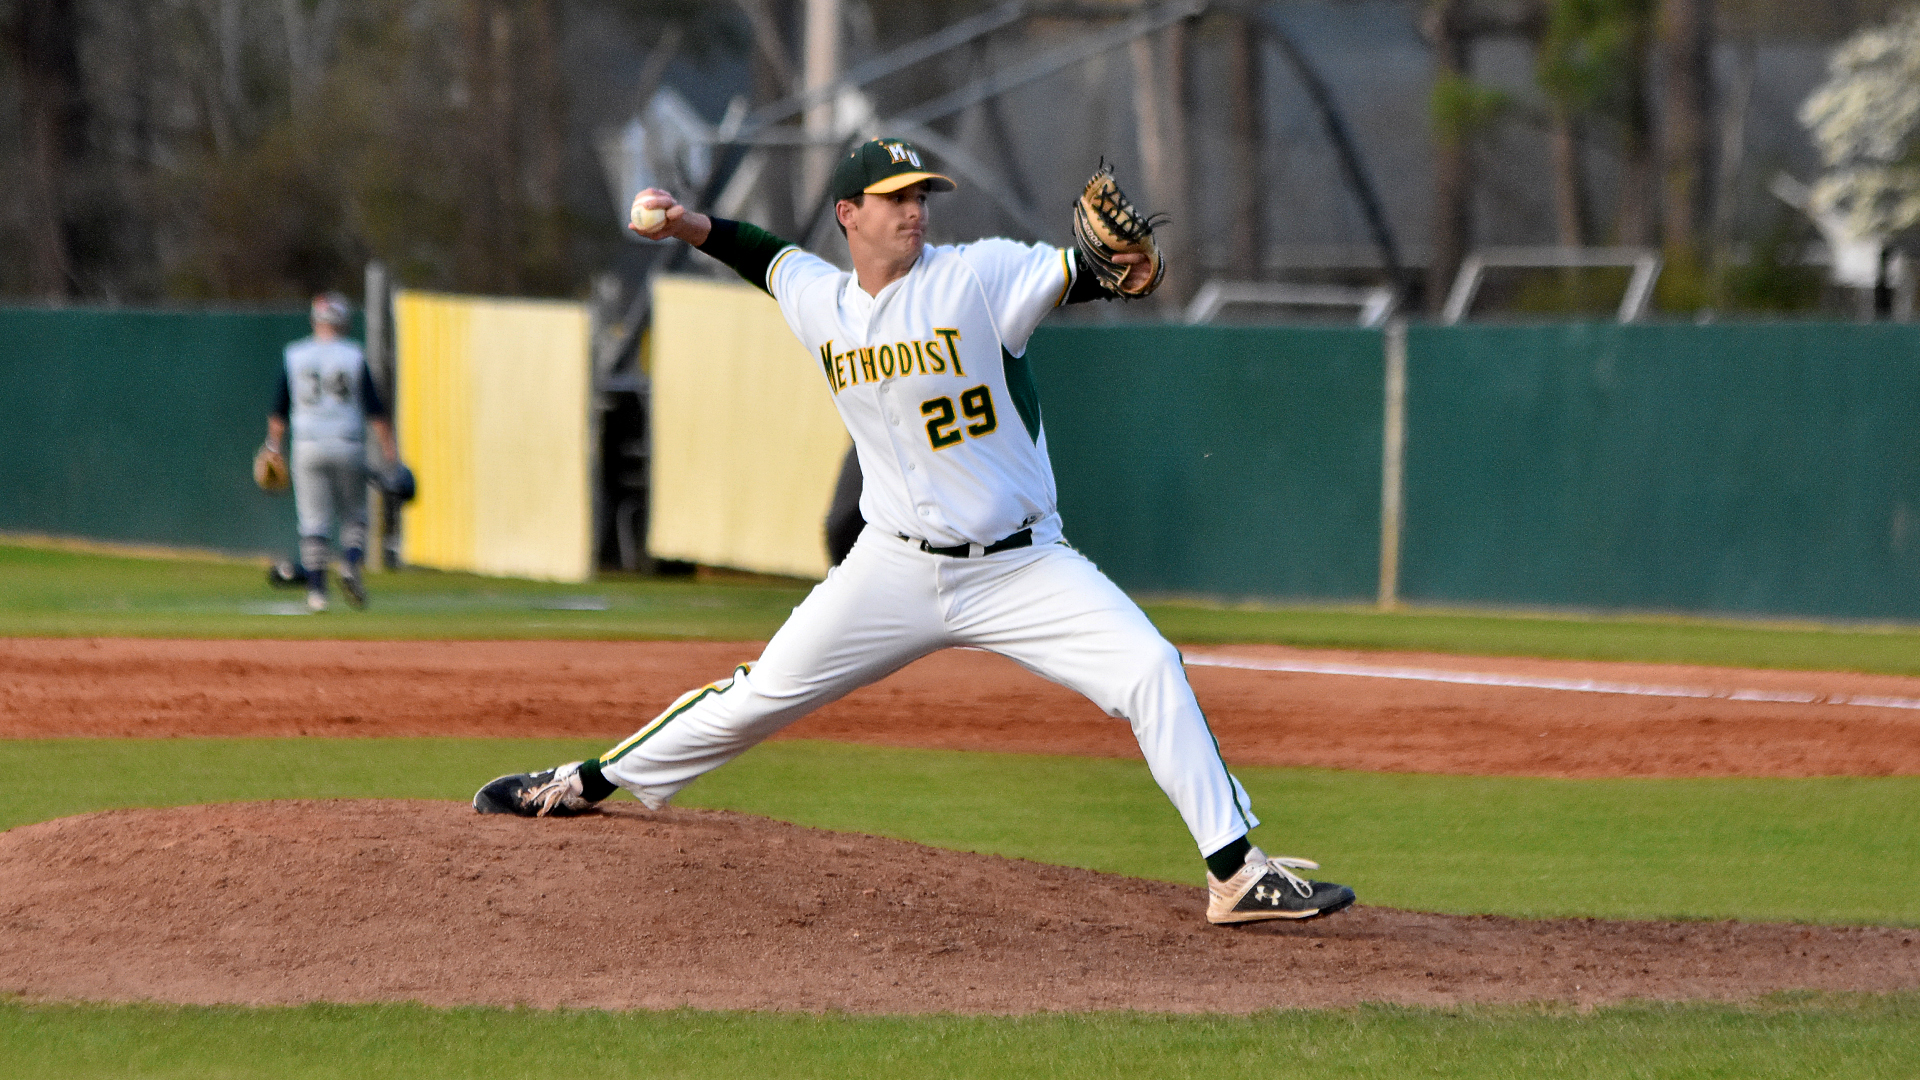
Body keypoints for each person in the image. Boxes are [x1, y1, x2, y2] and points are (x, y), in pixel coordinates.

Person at [475, 138, 1354, 926]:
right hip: (891, 567)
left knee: (1150, 667)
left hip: (1020, 567)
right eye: (894, 197)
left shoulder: (977, 276)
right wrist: (685, 224)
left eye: (921, 194)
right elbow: (764, 257)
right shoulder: (821, 299)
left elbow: (1079, 273)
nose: (914, 210)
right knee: (757, 694)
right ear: (848, 215)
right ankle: (584, 782)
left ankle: (1236, 875)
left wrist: (1108, 265)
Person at [265, 292, 400, 613]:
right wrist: (390, 453)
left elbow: (279, 410)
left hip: (307, 443)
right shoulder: (353, 354)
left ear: (315, 320)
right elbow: (375, 411)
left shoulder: (296, 354)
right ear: (343, 322)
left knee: (313, 521)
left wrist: (272, 447)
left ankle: (317, 593)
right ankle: (350, 562)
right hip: (347, 442)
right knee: (355, 516)